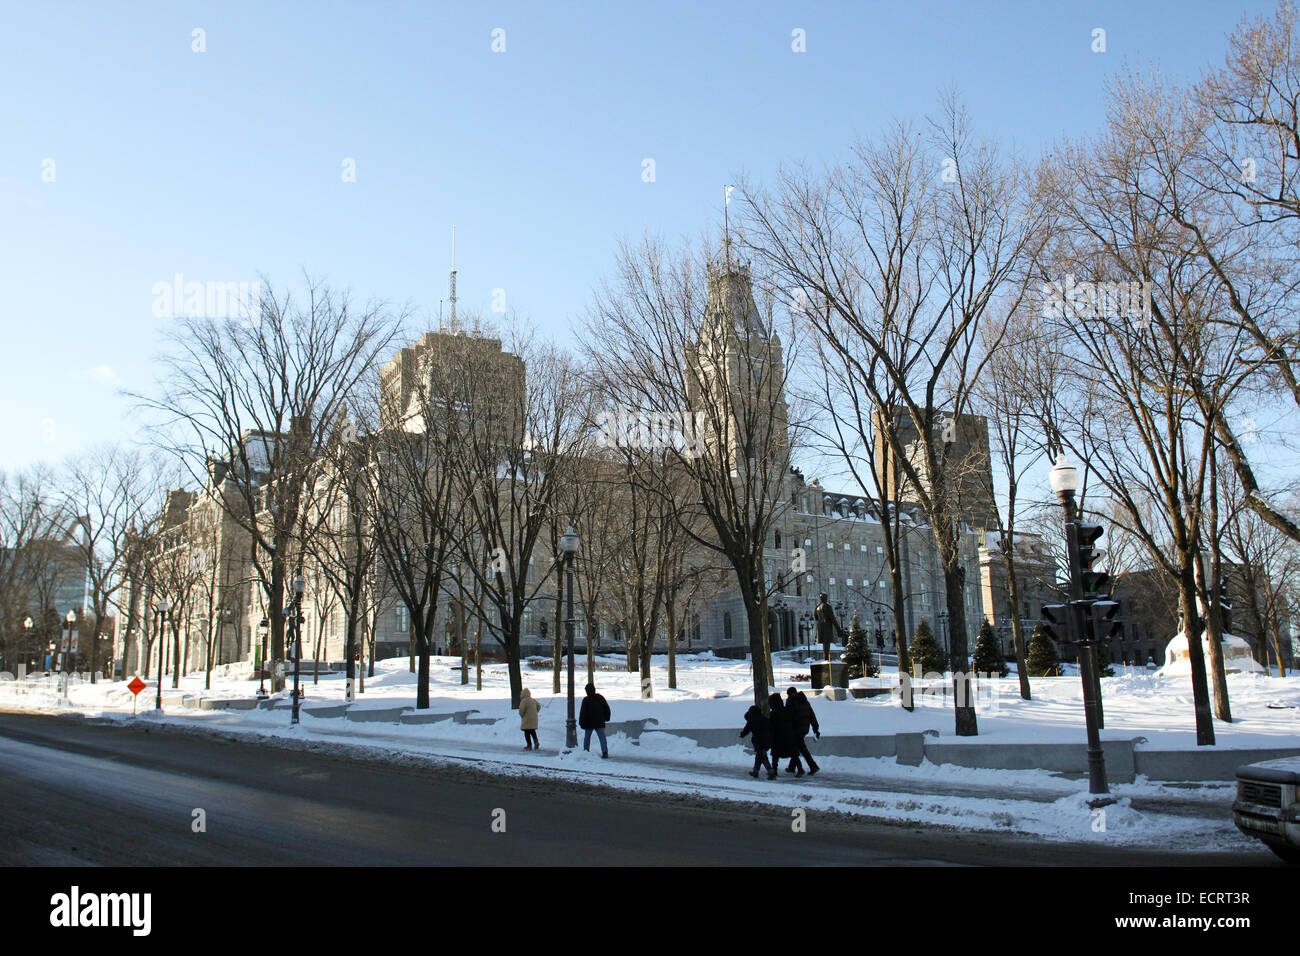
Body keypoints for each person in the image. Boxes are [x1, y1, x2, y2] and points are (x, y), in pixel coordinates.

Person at [785, 686, 821, 775]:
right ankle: (791, 767)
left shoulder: (791, 701)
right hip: (804, 728)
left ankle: (813, 766)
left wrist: (786, 728)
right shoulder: (804, 701)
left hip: (795, 729)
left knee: (801, 748)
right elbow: (812, 715)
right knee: (797, 747)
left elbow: (788, 716)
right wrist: (815, 728)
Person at [767, 692, 803, 777]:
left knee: (775, 755)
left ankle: (774, 771)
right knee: (794, 754)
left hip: (778, 737)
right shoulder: (787, 710)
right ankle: (800, 769)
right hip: (790, 736)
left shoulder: (773, 713)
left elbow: (771, 727)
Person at [740, 701, 776, 779]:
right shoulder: (765, 719)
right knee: (760, 756)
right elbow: (771, 728)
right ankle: (755, 771)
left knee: (763, 757)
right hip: (768, 741)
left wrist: (742, 735)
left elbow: (746, 730)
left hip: (759, 742)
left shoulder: (751, 721)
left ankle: (770, 771)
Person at [578, 682, 611, 757]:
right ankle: (605, 752)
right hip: (599, 722)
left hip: (588, 723)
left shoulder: (586, 700)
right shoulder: (600, 697)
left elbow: (582, 713)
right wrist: (606, 718)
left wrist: (581, 723)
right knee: (602, 737)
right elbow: (606, 708)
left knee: (587, 738)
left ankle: (586, 752)